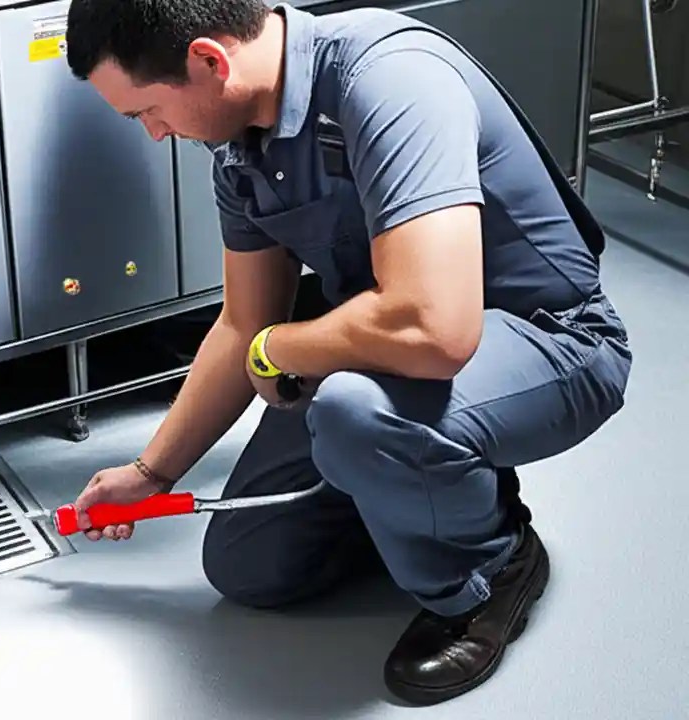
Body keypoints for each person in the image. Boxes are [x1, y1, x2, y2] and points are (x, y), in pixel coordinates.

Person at [63, 0, 633, 706]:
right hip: (384, 349)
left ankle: (493, 568)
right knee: (249, 566)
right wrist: (152, 473)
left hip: (551, 338)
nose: (154, 134)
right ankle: (416, 492)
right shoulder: (240, 149)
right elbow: (243, 326)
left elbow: (434, 329)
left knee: (354, 412)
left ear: (210, 61)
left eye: (146, 111)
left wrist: (287, 346)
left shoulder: (389, 80)